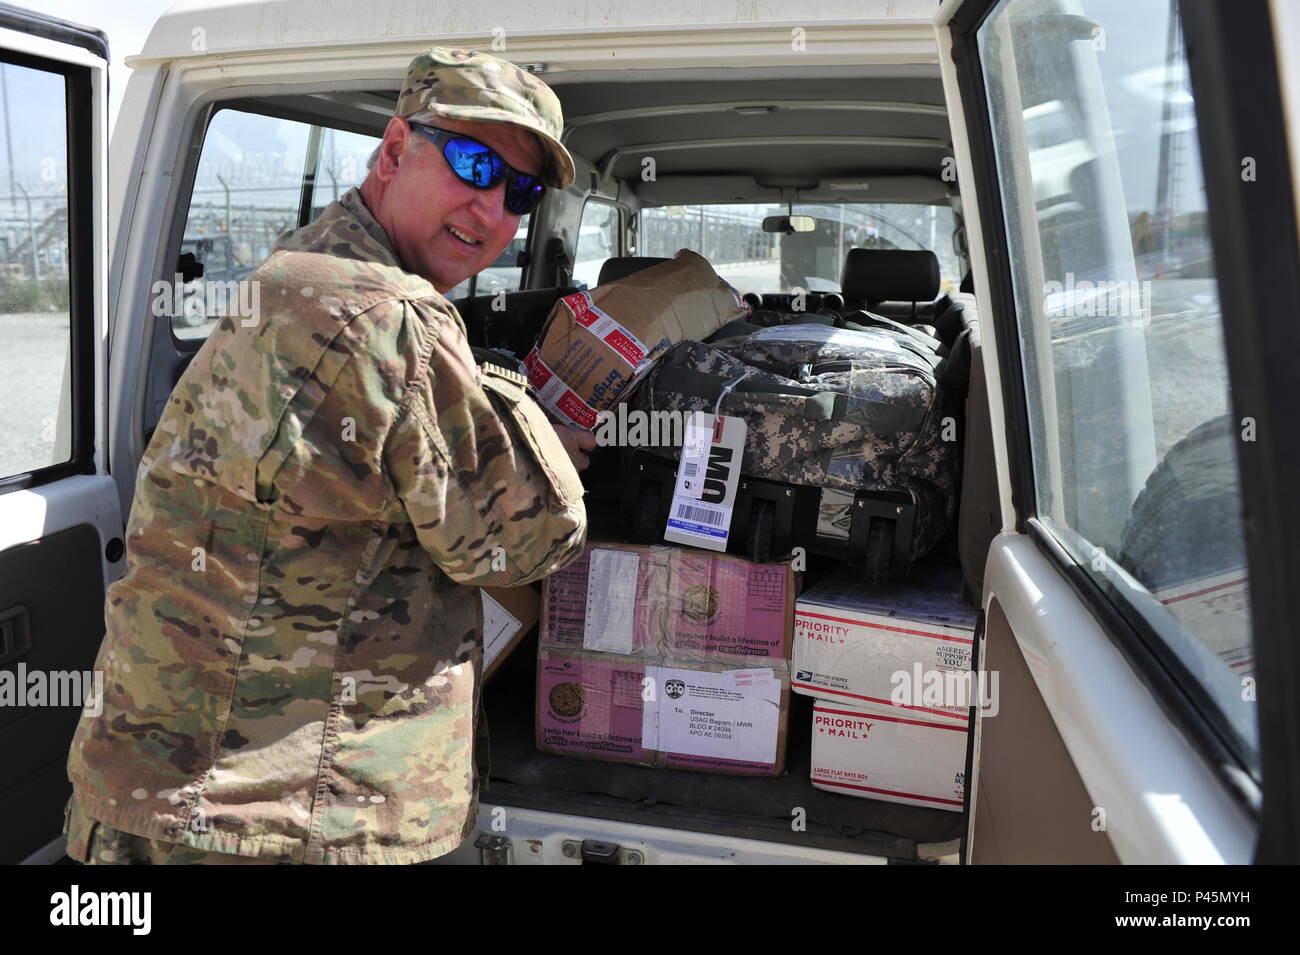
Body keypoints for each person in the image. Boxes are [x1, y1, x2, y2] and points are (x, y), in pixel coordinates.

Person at [62, 46, 596, 865]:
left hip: (169, 792)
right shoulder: (391, 316)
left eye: (519, 192)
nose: (491, 209)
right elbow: (519, 540)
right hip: (277, 818)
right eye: (472, 162)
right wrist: (542, 434)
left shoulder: (307, 263)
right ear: (392, 151)